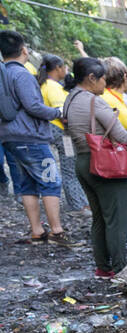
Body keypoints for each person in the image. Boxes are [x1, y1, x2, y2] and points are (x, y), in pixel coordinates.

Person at [63, 57, 127, 277]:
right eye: (102, 80)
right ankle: (120, 268)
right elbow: (121, 136)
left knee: (99, 217)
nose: (104, 85)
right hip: (104, 164)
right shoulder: (93, 101)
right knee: (117, 219)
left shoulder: (70, 99)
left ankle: (103, 267)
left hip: (82, 161)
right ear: (91, 78)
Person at [1, 32, 69, 244]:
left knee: (26, 184)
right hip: (30, 138)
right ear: (23, 50)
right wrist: (57, 112)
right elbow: (33, 106)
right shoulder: (21, 75)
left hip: (9, 138)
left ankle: (37, 231)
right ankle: (57, 232)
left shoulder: (3, 74)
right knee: (50, 182)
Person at [37, 54, 89, 214]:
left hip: (57, 130)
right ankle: (77, 205)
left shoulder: (48, 84)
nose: (66, 70)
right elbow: (63, 113)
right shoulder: (52, 87)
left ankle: (80, 202)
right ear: (58, 68)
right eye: (64, 67)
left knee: (70, 167)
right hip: (62, 132)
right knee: (69, 168)